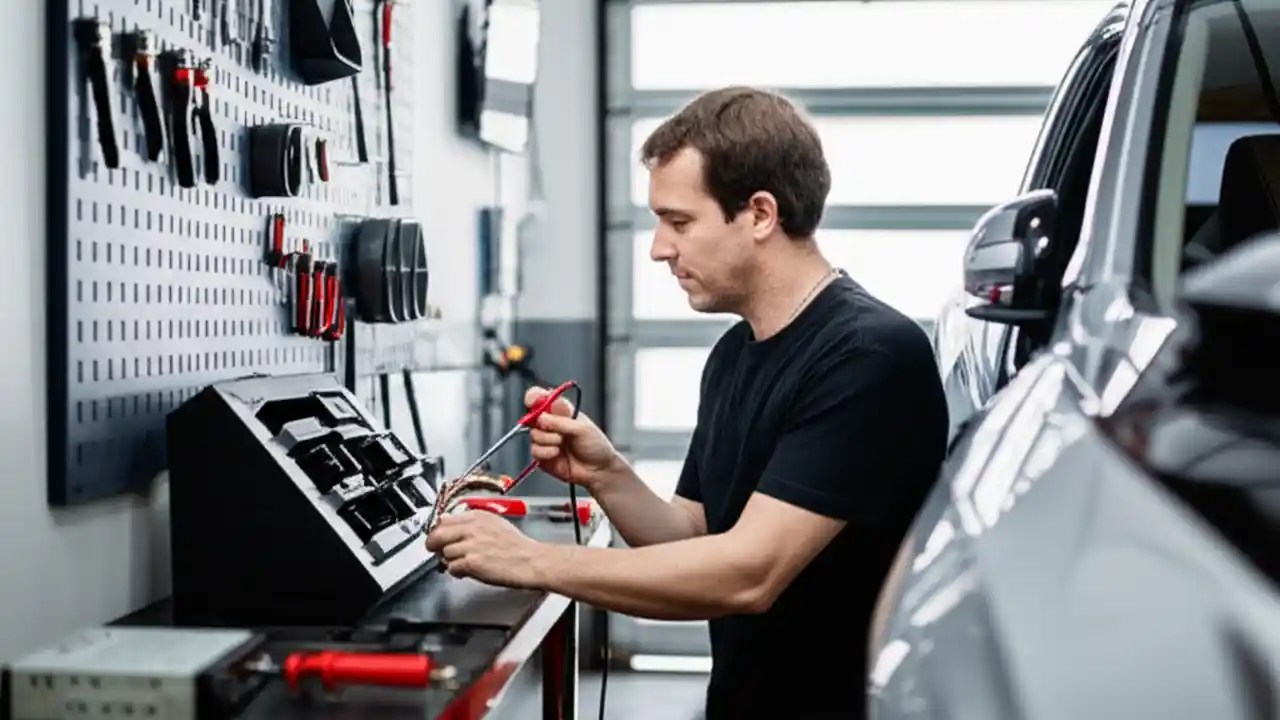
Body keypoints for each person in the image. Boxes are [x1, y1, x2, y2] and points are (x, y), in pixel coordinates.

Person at [426, 86, 949, 719]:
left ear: (760, 214)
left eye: (679, 222)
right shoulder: (735, 353)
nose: (658, 248)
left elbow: (748, 573)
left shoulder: (870, 358)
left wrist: (532, 560)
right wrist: (605, 473)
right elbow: (693, 535)